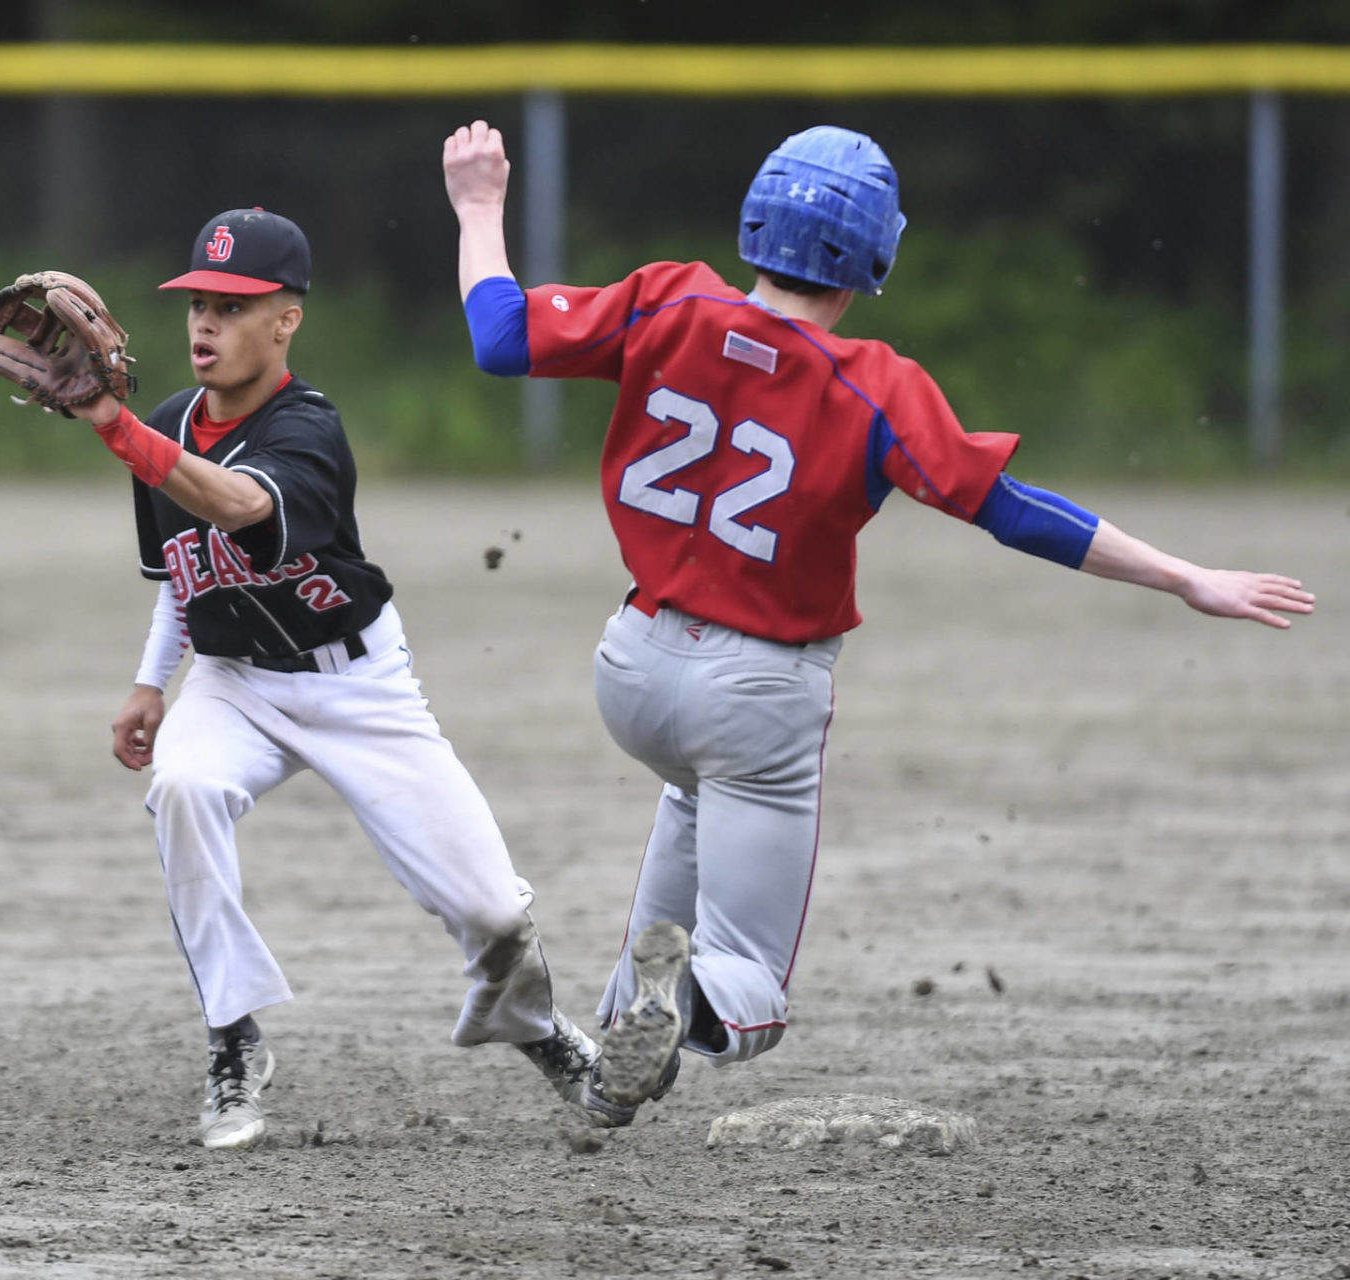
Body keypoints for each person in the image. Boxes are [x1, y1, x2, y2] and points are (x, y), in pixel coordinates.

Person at [440, 120, 1315, 1123]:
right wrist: (1186, 575)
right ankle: (679, 998)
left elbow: (501, 339)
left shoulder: (668, 299)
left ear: (756, 216)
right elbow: (1012, 509)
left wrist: (477, 207)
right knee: (749, 981)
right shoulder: (872, 384)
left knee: (693, 794)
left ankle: (617, 1070)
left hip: (633, 667)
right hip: (757, 691)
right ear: (874, 255)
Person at [63, 207, 620, 1150]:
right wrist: (151, 684)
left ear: (287, 320)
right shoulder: (163, 428)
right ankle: (233, 1037)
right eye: (198, 301)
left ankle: (533, 1028)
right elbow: (180, 576)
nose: (205, 322)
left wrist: (120, 434)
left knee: (490, 908)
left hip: (359, 687)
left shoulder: (307, 430)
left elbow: (237, 506)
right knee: (184, 788)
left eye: (234, 306)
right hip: (235, 681)